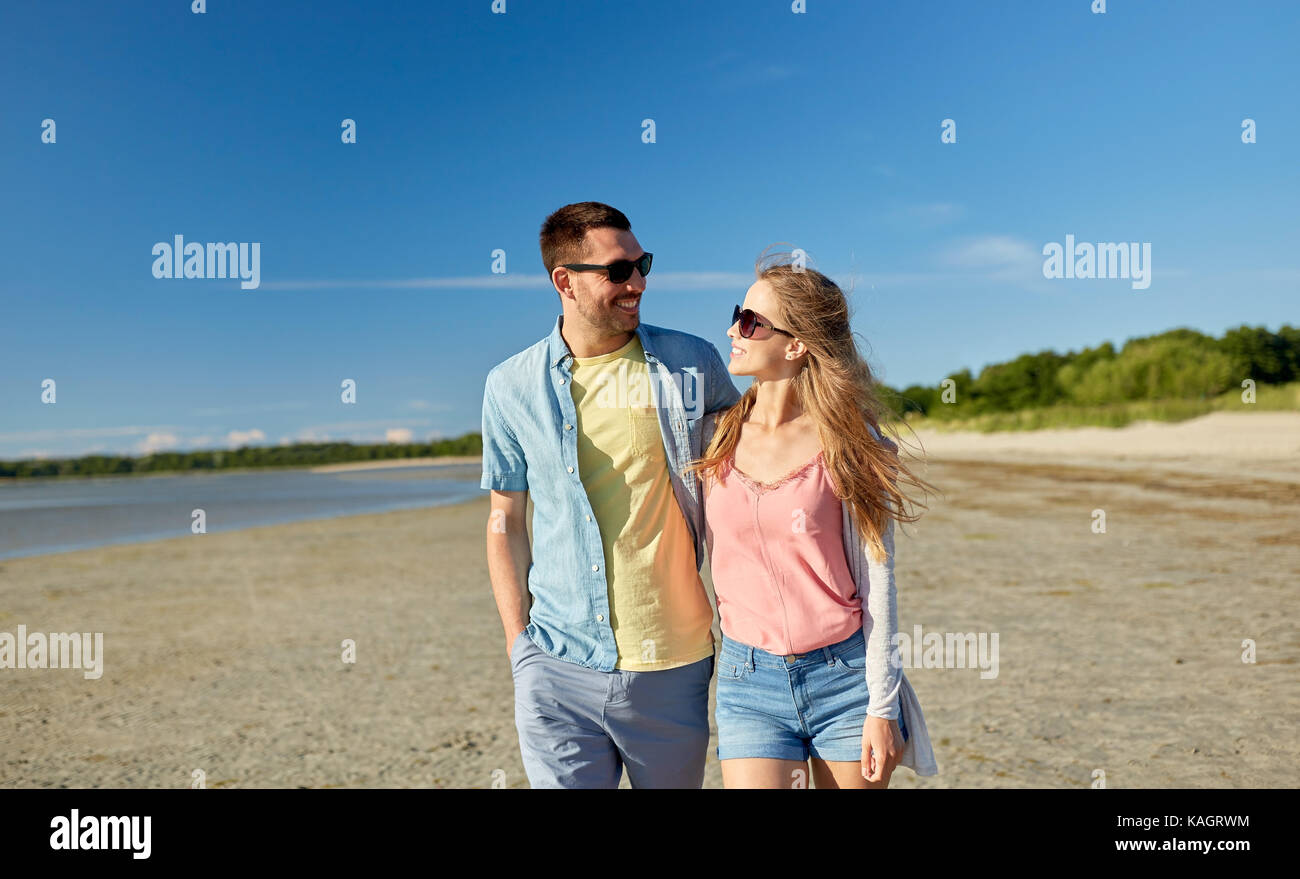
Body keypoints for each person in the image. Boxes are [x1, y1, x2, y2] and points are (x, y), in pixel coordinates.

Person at [480, 201, 741, 788]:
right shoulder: (509, 385)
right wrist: (518, 645)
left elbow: (751, 463)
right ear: (563, 282)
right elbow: (506, 520)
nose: (638, 283)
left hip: (672, 664)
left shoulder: (689, 362)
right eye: (618, 271)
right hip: (555, 663)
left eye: (642, 264)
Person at [687, 248, 941, 788]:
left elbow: (879, 582)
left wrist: (882, 704)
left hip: (845, 681)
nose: (734, 328)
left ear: (797, 345)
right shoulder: (711, 438)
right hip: (746, 679)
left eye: (752, 321)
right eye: (738, 313)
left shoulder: (851, 444)